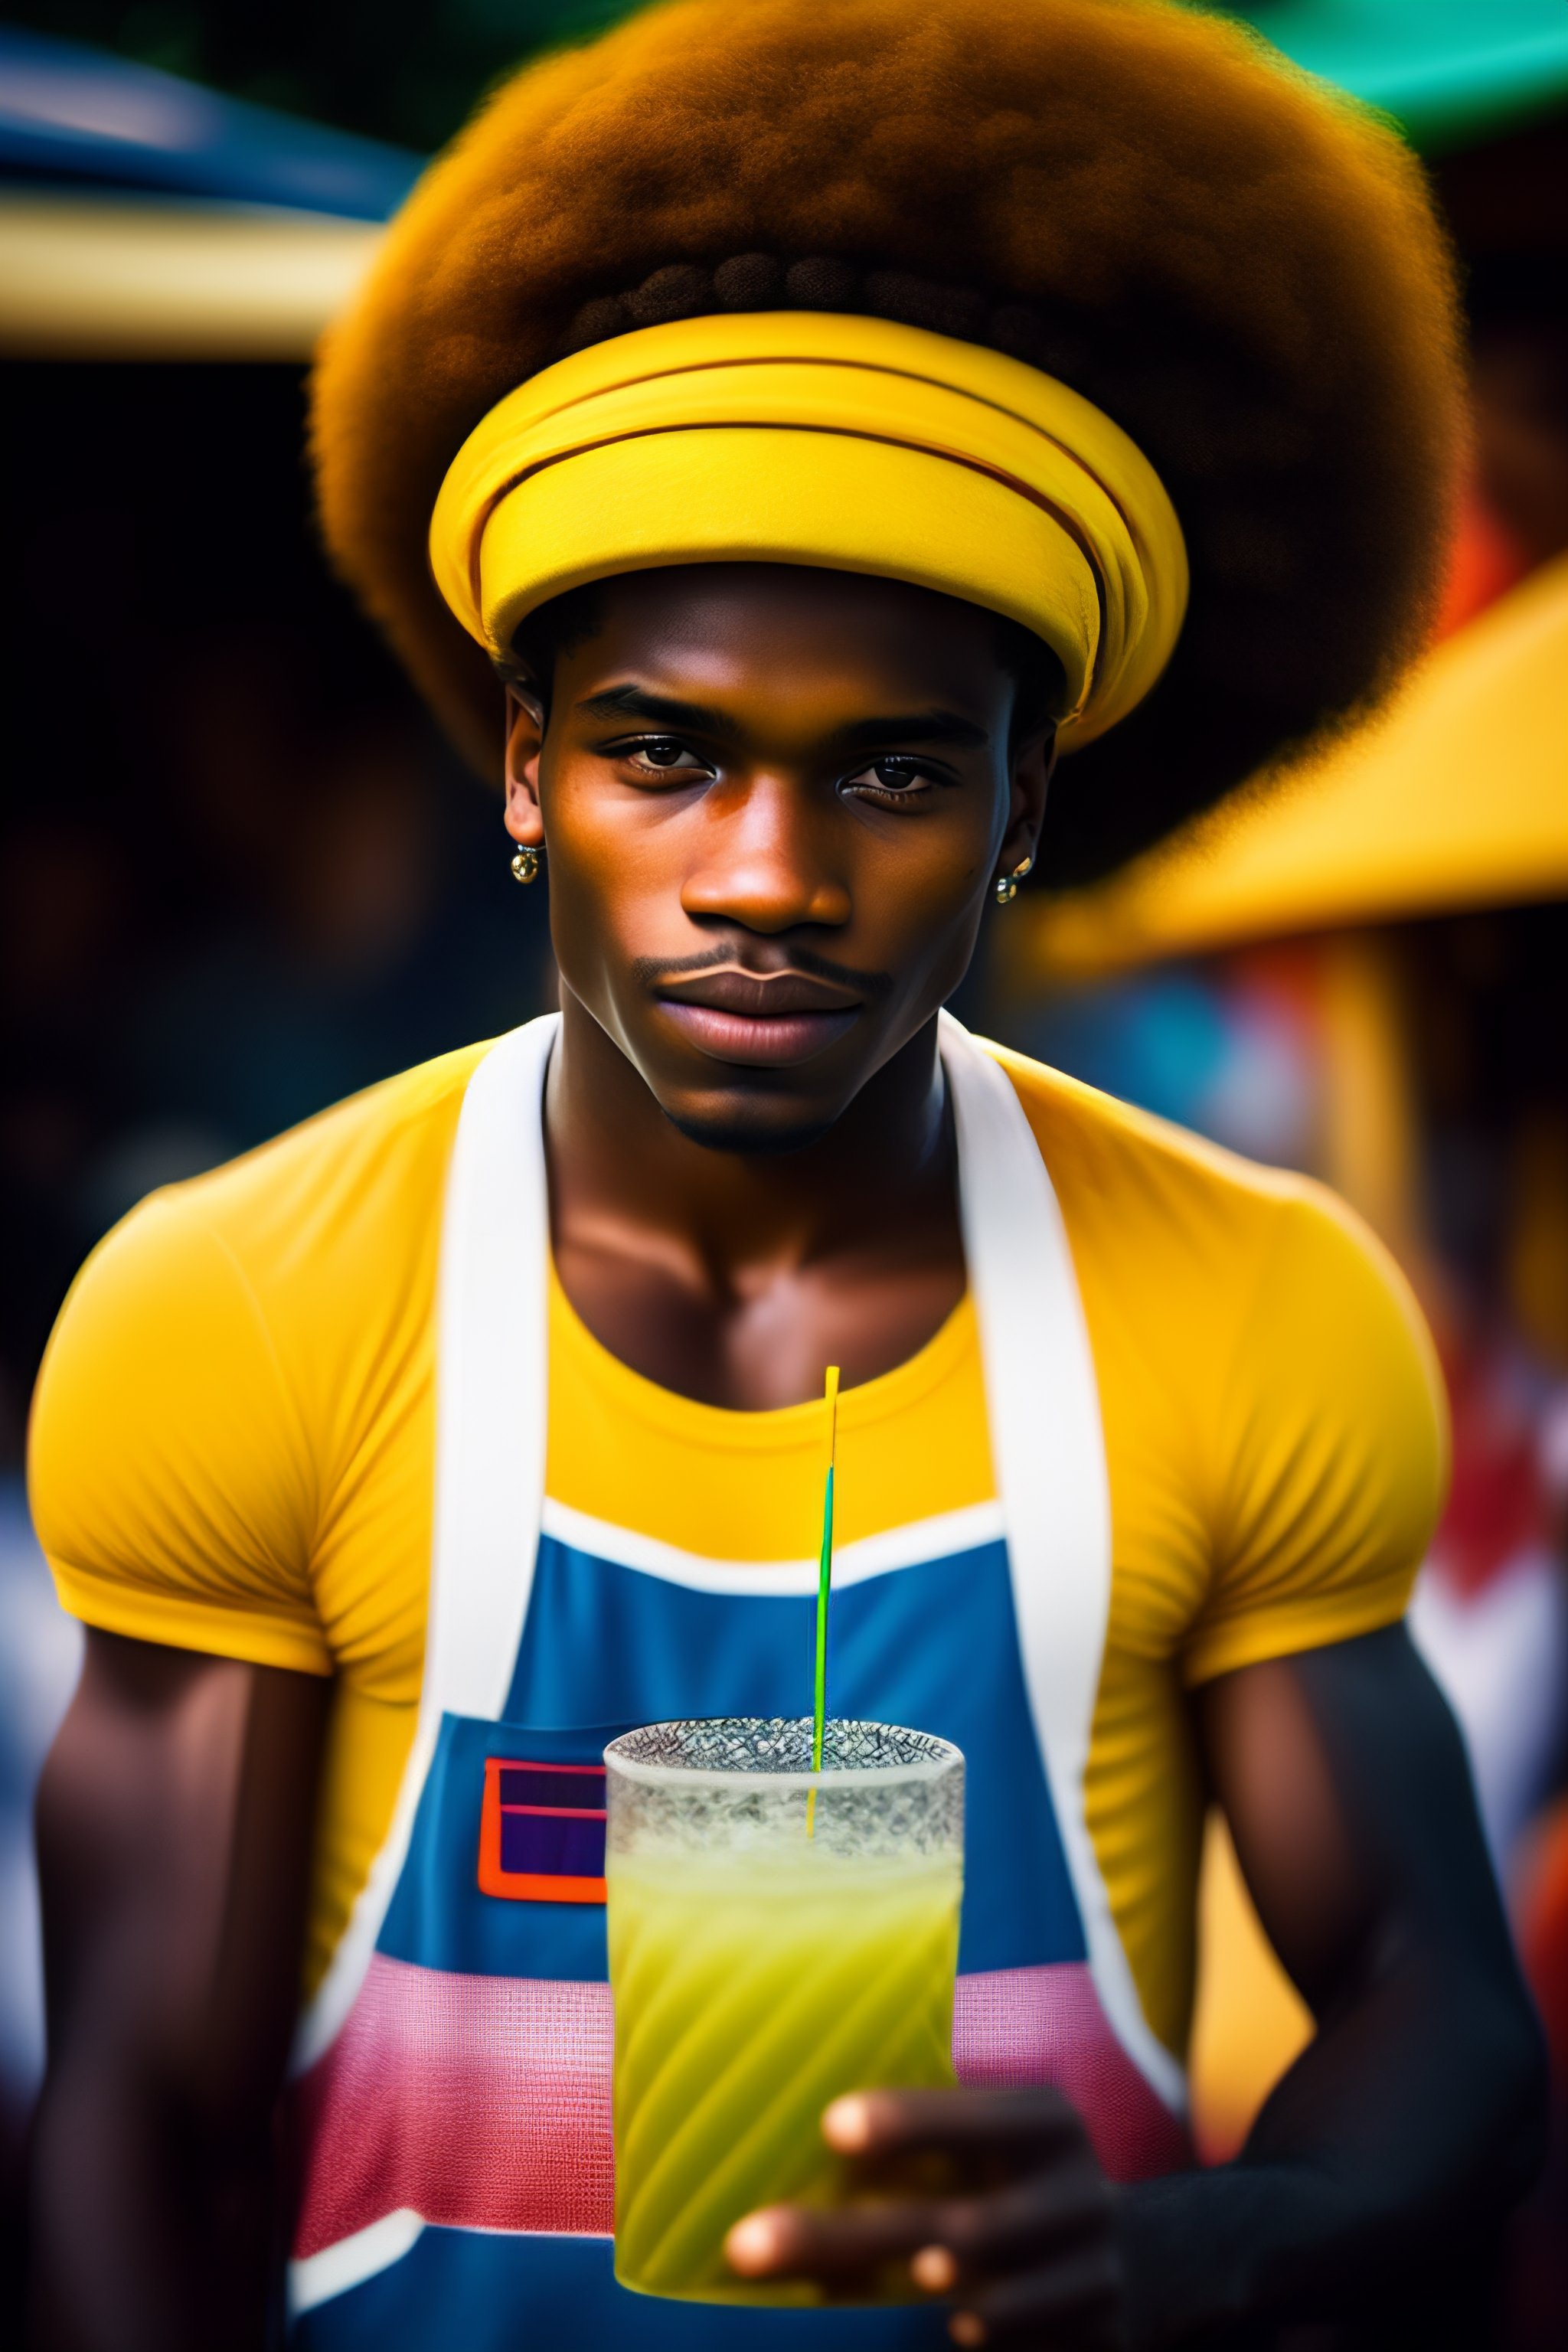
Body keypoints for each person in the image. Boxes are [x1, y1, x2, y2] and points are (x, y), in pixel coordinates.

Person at [24, 2, 1545, 2347]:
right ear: (524, 771)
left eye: (896, 776)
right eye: (664, 755)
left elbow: (1443, 2020)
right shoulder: (240, 1302)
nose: (771, 873)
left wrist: (1183, 2248)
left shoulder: (1251, 1301)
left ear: (1021, 816)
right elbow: (134, 2102)